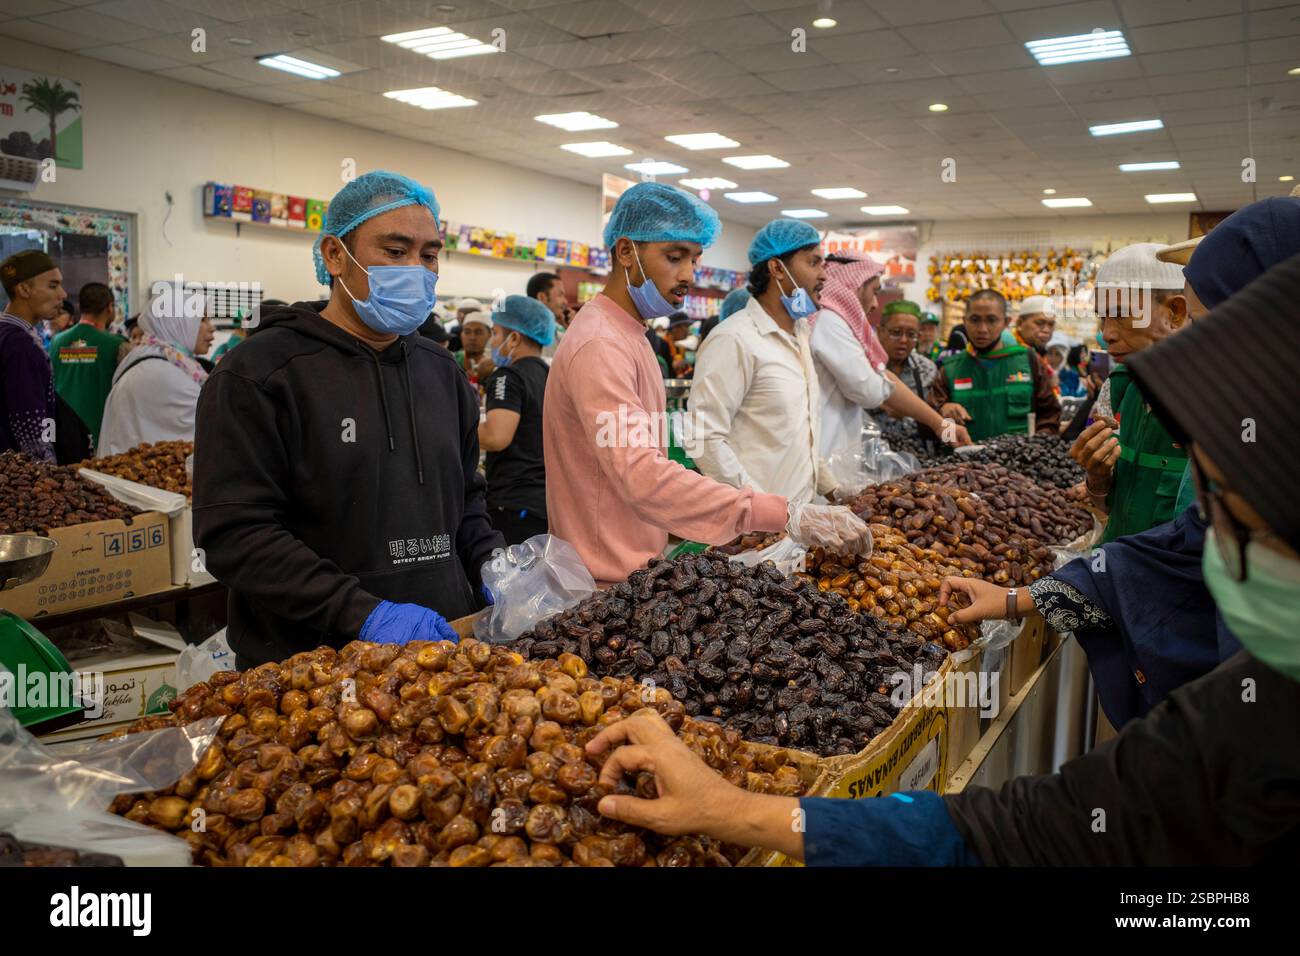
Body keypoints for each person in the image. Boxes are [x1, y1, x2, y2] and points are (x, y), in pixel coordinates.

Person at [583, 253, 1300, 865]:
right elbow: (1034, 824)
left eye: (1235, 504)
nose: (1217, 535)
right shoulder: (1243, 711)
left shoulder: (1250, 710)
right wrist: (1021, 597)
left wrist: (740, 810)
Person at [193, 170, 504, 667]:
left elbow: (466, 496)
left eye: (428, 255)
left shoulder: (442, 373)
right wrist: (362, 614)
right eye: (395, 251)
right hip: (308, 669)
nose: (417, 270)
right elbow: (236, 534)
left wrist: (497, 568)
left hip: (446, 650)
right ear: (335, 255)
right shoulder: (260, 375)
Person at [544, 183, 872, 584]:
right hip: (600, 581)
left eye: (694, 260)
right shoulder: (601, 344)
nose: (688, 276)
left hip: (634, 569)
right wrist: (775, 512)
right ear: (626, 251)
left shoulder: (630, 334)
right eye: (674, 257)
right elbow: (642, 474)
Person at [1069, 243, 1189, 543]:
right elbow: (1108, 506)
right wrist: (1097, 478)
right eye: (1103, 318)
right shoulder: (1120, 385)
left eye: (1122, 315)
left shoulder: (1222, 397)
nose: (1107, 333)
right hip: (1121, 569)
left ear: (1175, 312)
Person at [809, 257, 969, 463]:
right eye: (895, 333)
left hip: (913, 463)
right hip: (853, 459)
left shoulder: (926, 368)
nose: (903, 340)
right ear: (881, 331)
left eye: (912, 334)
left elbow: (933, 414)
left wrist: (945, 424)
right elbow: (874, 390)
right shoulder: (829, 325)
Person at [97, 282, 214, 455]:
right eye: (202, 319)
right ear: (177, 322)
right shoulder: (164, 373)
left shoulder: (156, 360)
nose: (212, 327)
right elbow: (211, 424)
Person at [928, 289, 1060, 441]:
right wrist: (943, 413)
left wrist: (1037, 446)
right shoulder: (949, 369)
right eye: (975, 320)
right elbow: (932, 431)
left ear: (1006, 322)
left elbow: (1050, 415)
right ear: (964, 321)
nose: (982, 329)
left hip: (1019, 461)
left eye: (991, 320)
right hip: (965, 462)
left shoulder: (1029, 361)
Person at [479, 295, 555, 545]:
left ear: (514, 338)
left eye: (496, 333)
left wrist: (452, 426)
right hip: (545, 501)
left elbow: (496, 437)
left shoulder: (507, 376)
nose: (493, 341)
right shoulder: (550, 375)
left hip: (512, 502)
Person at [0, 250, 65, 461]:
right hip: (19, 477)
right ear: (24, 289)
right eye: (52, 286)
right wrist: (47, 468)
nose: (62, 294)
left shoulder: (10, 333)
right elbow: (31, 421)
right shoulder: (20, 344)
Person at [47, 281, 124, 445]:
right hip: (101, 432)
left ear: (80, 306)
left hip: (62, 432)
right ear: (110, 307)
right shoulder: (118, 345)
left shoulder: (55, 342)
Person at [454, 310, 495, 385]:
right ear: (461, 335)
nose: (472, 337)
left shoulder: (495, 364)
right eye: (467, 332)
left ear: (489, 335)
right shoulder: (452, 361)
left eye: (478, 332)